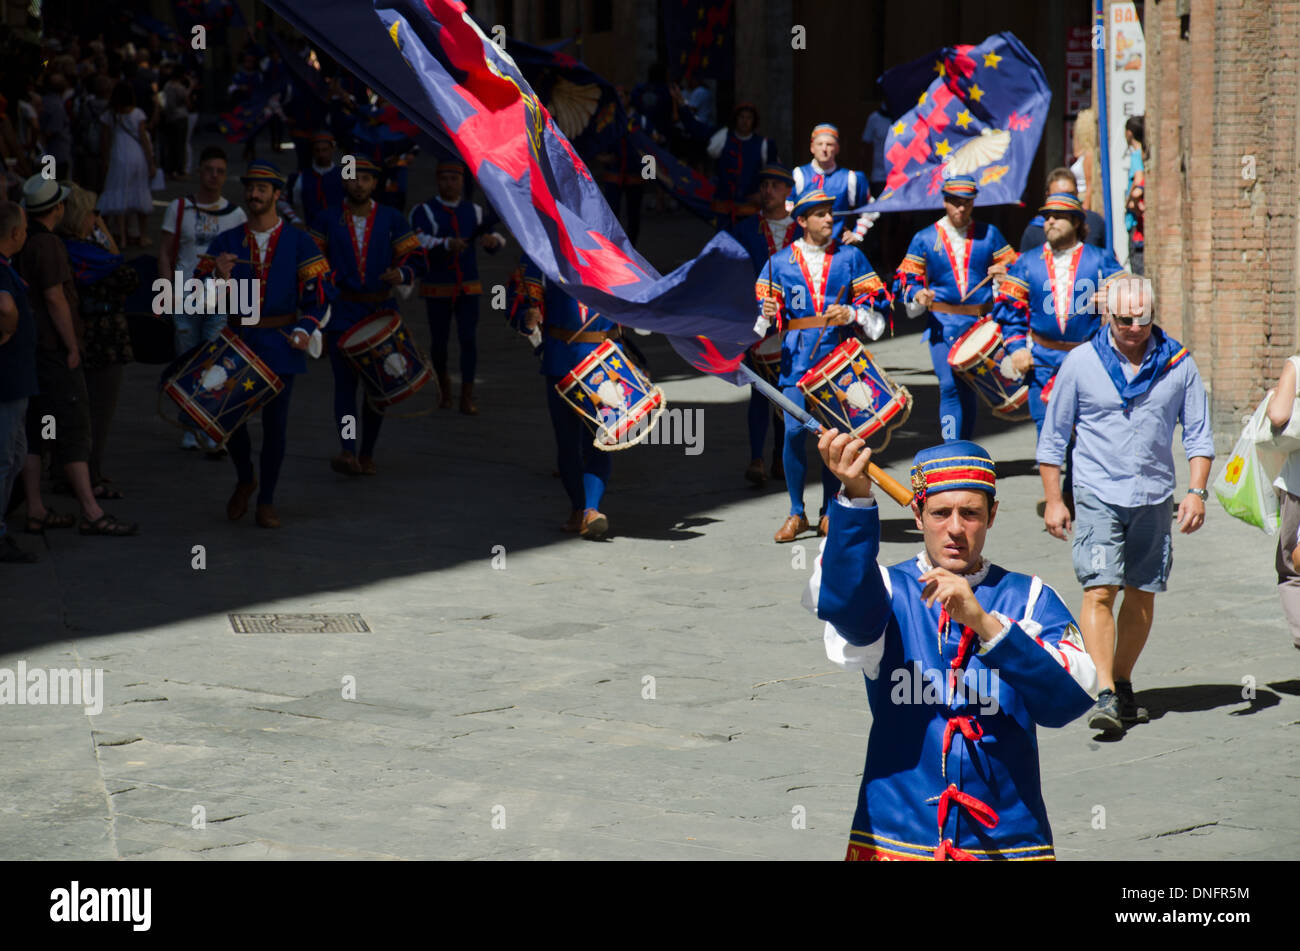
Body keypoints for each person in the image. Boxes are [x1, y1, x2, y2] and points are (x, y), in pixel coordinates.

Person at [805, 434, 1096, 860]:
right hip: (894, 838)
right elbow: (846, 605)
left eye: (971, 513)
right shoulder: (889, 589)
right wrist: (855, 498)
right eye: (941, 513)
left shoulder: (1030, 599)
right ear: (918, 516)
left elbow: (1064, 703)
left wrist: (985, 624)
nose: (956, 528)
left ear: (992, 515)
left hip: (1009, 843)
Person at [1037, 276, 1214, 736]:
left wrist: (1196, 491)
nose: (1133, 328)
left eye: (1141, 319)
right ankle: (1105, 692)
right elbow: (1053, 438)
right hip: (1096, 492)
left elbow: (1198, 435)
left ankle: (1123, 679)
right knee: (1100, 589)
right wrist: (1055, 500)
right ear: (1106, 316)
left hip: (1154, 496)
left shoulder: (1179, 364)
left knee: (1141, 592)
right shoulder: (1080, 363)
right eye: (1122, 320)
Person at [195, 160, 332, 529]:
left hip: (281, 342)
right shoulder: (226, 241)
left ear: (277, 194)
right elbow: (200, 297)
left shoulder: (302, 242)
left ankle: (267, 500)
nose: (254, 194)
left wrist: (306, 329)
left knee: (276, 426)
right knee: (230, 419)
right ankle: (245, 478)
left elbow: (320, 297)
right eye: (250, 187)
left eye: (261, 188)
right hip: (238, 340)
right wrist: (218, 279)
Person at [755, 189, 891, 542]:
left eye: (830, 213)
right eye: (819, 214)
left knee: (833, 437)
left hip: (838, 362)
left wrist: (852, 312)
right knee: (794, 432)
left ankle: (830, 510)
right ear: (801, 221)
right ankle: (796, 512)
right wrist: (766, 314)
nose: (829, 219)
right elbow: (761, 319)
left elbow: (879, 302)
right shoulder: (780, 261)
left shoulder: (851, 258)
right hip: (795, 364)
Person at [15, 175, 137, 537]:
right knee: (74, 428)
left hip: (30, 350)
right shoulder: (49, 245)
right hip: (51, 351)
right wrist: (71, 346)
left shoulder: (24, 240)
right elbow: (55, 298)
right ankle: (91, 510)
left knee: (35, 433)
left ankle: (35, 508)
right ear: (58, 209)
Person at [310, 157, 424, 475]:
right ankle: (348, 449)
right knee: (345, 387)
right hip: (343, 313)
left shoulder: (391, 219)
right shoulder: (326, 220)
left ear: (374, 183)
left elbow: (416, 255)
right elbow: (311, 263)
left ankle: (367, 452)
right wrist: (327, 290)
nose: (358, 183)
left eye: (365, 178)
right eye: (352, 178)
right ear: (343, 182)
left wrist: (402, 274)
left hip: (381, 311)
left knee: (380, 386)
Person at [893, 176, 1017, 441]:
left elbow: (1017, 269)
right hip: (943, 322)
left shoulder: (989, 234)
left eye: (967, 203)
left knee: (970, 387)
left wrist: (1005, 272)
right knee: (949, 386)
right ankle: (951, 447)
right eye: (955, 203)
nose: (961, 209)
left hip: (980, 325)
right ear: (944, 201)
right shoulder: (924, 238)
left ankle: (965, 447)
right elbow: (905, 279)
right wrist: (918, 293)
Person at [997, 193, 1126, 440]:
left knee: (1084, 440)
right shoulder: (1026, 262)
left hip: (1088, 360)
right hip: (1041, 361)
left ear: (1077, 222)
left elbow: (1132, 300)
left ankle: (1074, 481)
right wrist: (1017, 349)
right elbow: (1010, 311)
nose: (1050, 222)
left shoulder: (1100, 259)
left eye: (1059, 217)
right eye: (1047, 217)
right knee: (1047, 438)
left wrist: (1113, 300)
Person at [510, 254, 615, 540]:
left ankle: (590, 510)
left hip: (603, 363)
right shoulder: (539, 255)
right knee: (567, 442)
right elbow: (516, 302)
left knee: (601, 438)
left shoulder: (606, 252)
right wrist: (526, 319)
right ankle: (580, 508)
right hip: (561, 362)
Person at [158, 145, 248, 451]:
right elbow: (165, 252)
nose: (214, 175)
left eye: (220, 171)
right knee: (186, 360)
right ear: (200, 171)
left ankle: (212, 427)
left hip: (218, 297)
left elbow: (243, 260)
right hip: (184, 295)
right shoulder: (179, 207)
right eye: (209, 169)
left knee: (215, 361)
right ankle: (188, 426)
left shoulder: (235, 214)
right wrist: (165, 292)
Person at [57, 184, 137, 498]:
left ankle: (70, 471)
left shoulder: (63, 249)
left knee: (76, 409)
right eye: (93, 213)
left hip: (77, 337)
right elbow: (124, 270)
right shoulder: (92, 257)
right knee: (98, 413)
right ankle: (88, 476)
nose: (97, 218)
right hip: (102, 341)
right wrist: (102, 230)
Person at [409, 160, 505, 415]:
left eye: (454, 179)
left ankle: (466, 396)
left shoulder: (474, 210)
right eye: (445, 179)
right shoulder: (424, 210)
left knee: (468, 339)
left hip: (468, 286)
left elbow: (497, 238)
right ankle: (444, 391)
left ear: (462, 181)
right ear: (437, 181)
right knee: (439, 342)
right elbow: (417, 238)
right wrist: (446, 244)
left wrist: (490, 241)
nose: (450, 183)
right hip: (437, 285)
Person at [727, 163, 800, 485]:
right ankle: (756, 457)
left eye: (775, 185)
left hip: (797, 324)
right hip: (756, 323)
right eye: (764, 185)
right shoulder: (744, 230)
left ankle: (780, 458)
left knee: (787, 392)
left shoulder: (803, 230)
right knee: (758, 391)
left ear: (788, 191)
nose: (767, 190)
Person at [0, 200, 40, 562]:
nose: (26, 234)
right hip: (7, 382)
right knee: (4, 458)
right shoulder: (1, 272)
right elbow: (5, 307)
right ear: (14, 234)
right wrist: (9, 328)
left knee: (13, 457)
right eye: (25, 229)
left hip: (15, 380)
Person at [1266, 355, 1300, 650]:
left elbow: (1278, 416)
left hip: (1298, 483)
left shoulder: (1296, 365)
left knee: (1292, 567)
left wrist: (1271, 402)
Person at [791, 123, 870, 245]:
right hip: (803, 246)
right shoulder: (799, 175)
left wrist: (857, 234)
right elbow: (786, 210)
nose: (824, 149)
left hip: (837, 247)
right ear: (812, 147)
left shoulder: (851, 178)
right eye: (819, 144)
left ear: (837, 148)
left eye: (829, 144)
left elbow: (869, 210)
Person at [98, 80, 155, 249]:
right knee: (140, 192)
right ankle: (142, 236)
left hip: (118, 155)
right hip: (137, 155)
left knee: (119, 194)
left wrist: (105, 161)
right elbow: (144, 139)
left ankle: (121, 237)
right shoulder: (137, 113)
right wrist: (151, 161)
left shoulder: (110, 115)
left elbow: (105, 141)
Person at [706, 103, 778, 229]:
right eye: (742, 117)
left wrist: (763, 195)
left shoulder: (763, 144)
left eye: (749, 118)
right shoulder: (723, 138)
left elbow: (773, 174)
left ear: (754, 121)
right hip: (724, 208)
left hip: (750, 208)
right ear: (736, 119)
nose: (745, 121)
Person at [1017, 166, 1107, 252]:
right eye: (1058, 195)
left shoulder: (1095, 222)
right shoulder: (1033, 231)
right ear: (1048, 195)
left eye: (1070, 194)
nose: (1065, 200)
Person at [291, 132, 346, 227]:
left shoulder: (343, 176)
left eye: (325, 150)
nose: (321, 154)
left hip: (340, 229)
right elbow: (284, 201)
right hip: (313, 231)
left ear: (332, 150)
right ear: (312, 152)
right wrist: (295, 220)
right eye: (317, 150)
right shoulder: (301, 177)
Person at [1123, 117, 1146, 274]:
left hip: (1136, 223)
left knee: (1138, 271)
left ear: (1129, 133)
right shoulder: (1142, 154)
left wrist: (1129, 201)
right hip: (1137, 222)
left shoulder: (1137, 155)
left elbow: (1139, 180)